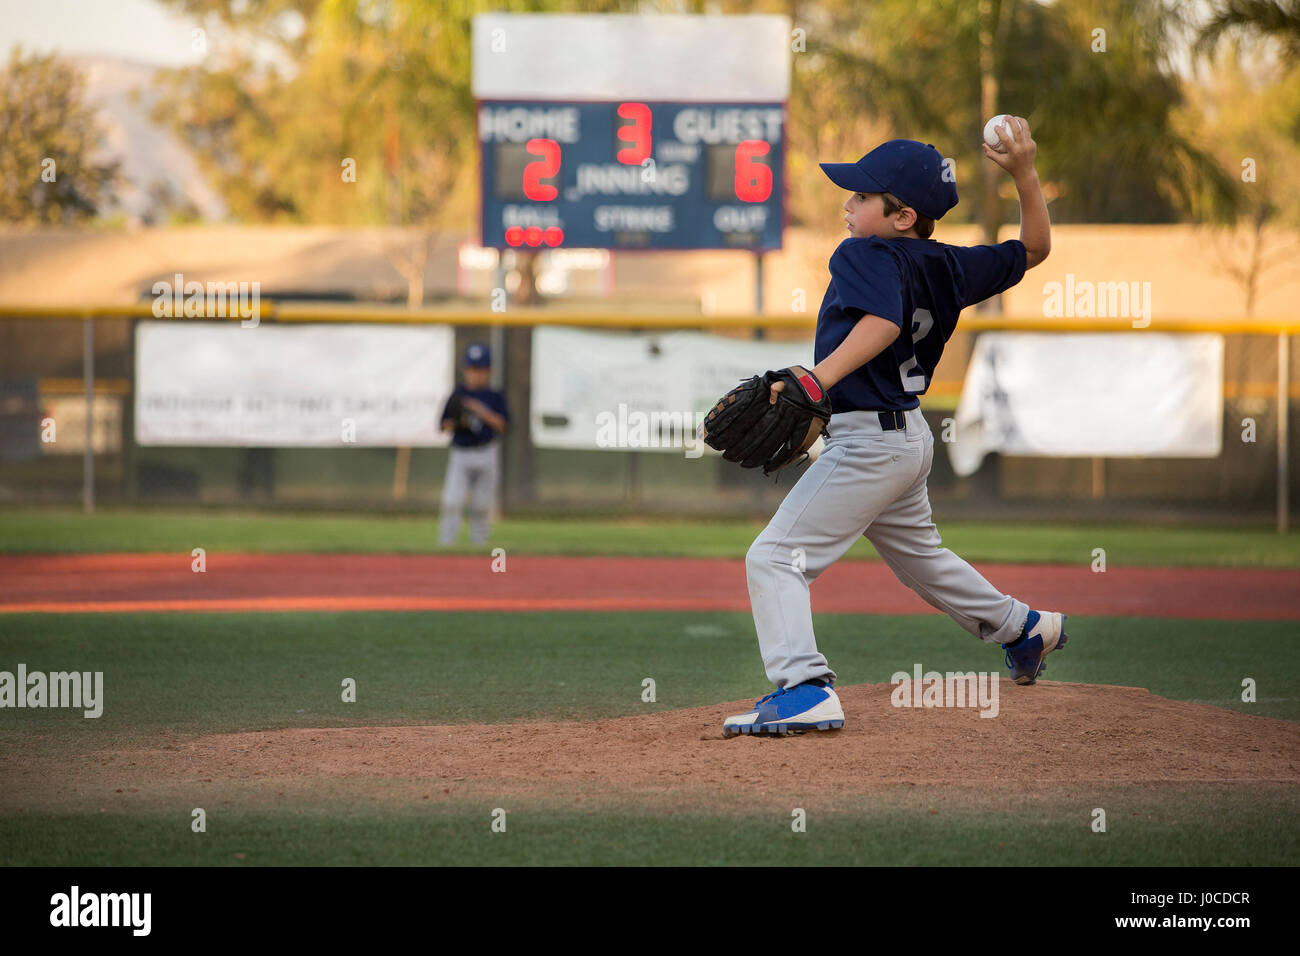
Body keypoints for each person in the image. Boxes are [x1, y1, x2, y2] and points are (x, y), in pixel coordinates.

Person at [723, 118, 1068, 736]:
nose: (848, 205)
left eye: (861, 197)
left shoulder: (864, 251)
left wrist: (815, 380)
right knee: (923, 560)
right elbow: (1036, 249)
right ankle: (1026, 628)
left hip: (868, 444)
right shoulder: (949, 266)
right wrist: (1024, 174)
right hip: (907, 438)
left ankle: (803, 688)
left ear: (902, 215)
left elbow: (882, 323)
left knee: (774, 557)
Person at [438, 343, 509, 547]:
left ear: (489, 371)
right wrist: (456, 422)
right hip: (461, 452)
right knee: (452, 502)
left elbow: (504, 426)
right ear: (465, 370)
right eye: (472, 369)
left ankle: (480, 547)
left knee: (482, 506)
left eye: (480, 369)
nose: (475, 374)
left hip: (487, 451)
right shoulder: (458, 394)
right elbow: (443, 425)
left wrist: (479, 410)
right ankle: (446, 545)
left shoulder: (495, 396)